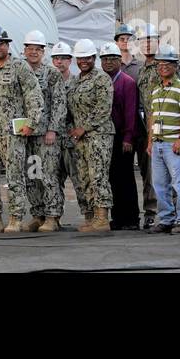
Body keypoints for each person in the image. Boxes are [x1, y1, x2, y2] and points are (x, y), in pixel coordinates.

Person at [0, 26, 43, 234]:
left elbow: (34, 95)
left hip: (12, 133)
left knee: (14, 177)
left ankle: (16, 218)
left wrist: (32, 122)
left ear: (7, 45)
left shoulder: (19, 67)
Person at [65, 39, 114, 232]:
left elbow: (104, 108)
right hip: (80, 139)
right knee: (83, 177)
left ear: (94, 58)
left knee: (98, 176)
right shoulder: (75, 81)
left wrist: (83, 127)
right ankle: (90, 216)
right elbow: (69, 108)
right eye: (80, 58)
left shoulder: (102, 79)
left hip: (98, 136)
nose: (83, 61)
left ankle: (102, 218)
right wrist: (71, 128)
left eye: (87, 58)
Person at [22, 30, 67, 232]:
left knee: (49, 175)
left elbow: (59, 104)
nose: (33, 52)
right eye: (30, 48)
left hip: (45, 136)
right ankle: (38, 214)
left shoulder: (51, 74)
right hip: (25, 134)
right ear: (24, 50)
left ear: (43, 51)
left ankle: (52, 216)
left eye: (37, 49)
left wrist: (53, 130)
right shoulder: (19, 71)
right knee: (32, 176)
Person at [147, 44, 180, 234]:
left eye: (168, 63)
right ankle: (166, 219)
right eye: (159, 64)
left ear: (176, 66)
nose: (163, 67)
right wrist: (150, 141)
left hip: (173, 143)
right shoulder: (156, 91)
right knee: (159, 184)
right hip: (158, 143)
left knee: (179, 183)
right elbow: (152, 117)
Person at [99, 41, 140, 230]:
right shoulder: (99, 81)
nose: (108, 63)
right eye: (104, 59)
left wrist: (128, 138)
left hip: (122, 138)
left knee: (126, 178)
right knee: (111, 178)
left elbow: (131, 113)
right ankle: (117, 217)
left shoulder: (127, 82)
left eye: (112, 59)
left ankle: (131, 219)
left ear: (119, 61)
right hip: (105, 137)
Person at [133, 23, 163, 228]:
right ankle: (151, 212)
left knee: (169, 173)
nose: (148, 44)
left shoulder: (167, 64)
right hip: (146, 129)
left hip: (166, 128)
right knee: (149, 174)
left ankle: (175, 214)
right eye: (144, 41)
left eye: (151, 40)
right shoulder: (142, 71)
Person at [49, 41, 80, 221]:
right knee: (52, 180)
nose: (59, 62)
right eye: (56, 58)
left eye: (63, 58)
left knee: (79, 179)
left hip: (72, 139)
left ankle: (91, 217)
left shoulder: (77, 83)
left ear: (70, 61)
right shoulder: (47, 81)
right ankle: (53, 218)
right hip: (52, 140)